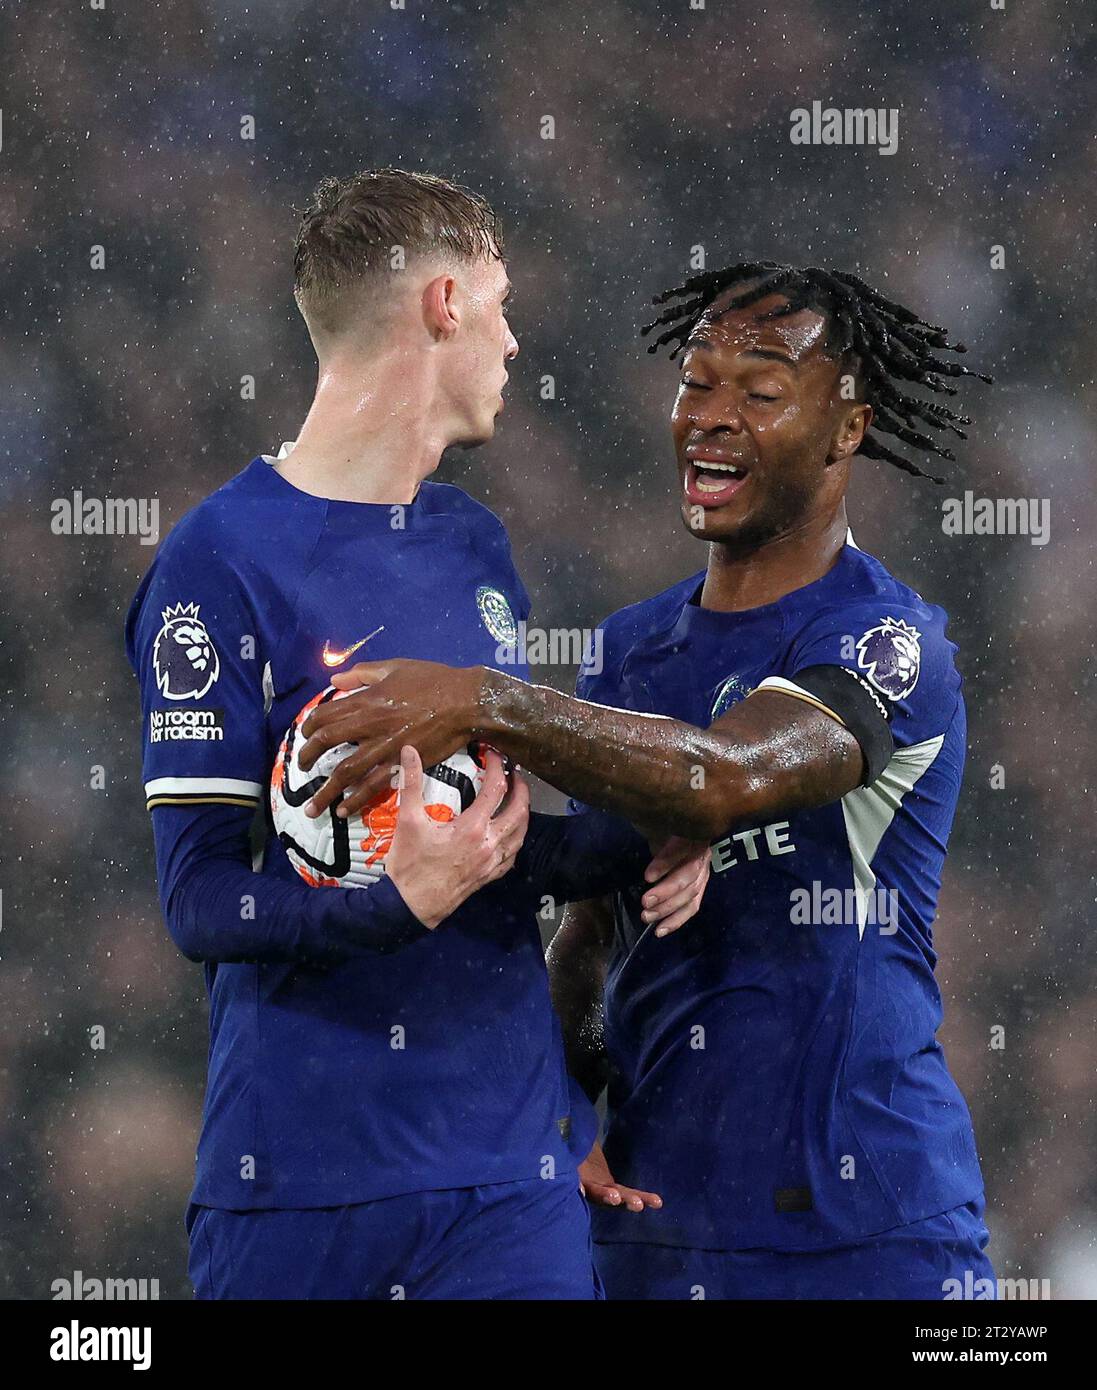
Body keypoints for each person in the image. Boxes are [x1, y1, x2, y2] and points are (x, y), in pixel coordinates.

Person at [296, 261, 997, 1299]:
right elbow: (592, 938)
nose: (709, 418)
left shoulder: (887, 642)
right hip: (657, 1224)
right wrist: (565, 1113)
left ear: (845, 429)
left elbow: (722, 777)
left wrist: (485, 702)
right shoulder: (631, 652)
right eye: (695, 383)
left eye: (757, 393)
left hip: (870, 1226)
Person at [125, 169, 707, 1301]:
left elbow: (494, 843)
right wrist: (389, 905)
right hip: (297, 1183)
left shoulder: (471, 545)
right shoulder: (217, 564)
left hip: (503, 1180)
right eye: (501, 303)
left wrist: (659, 832)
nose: (514, 341)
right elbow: (199, 902)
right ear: (444, 304)